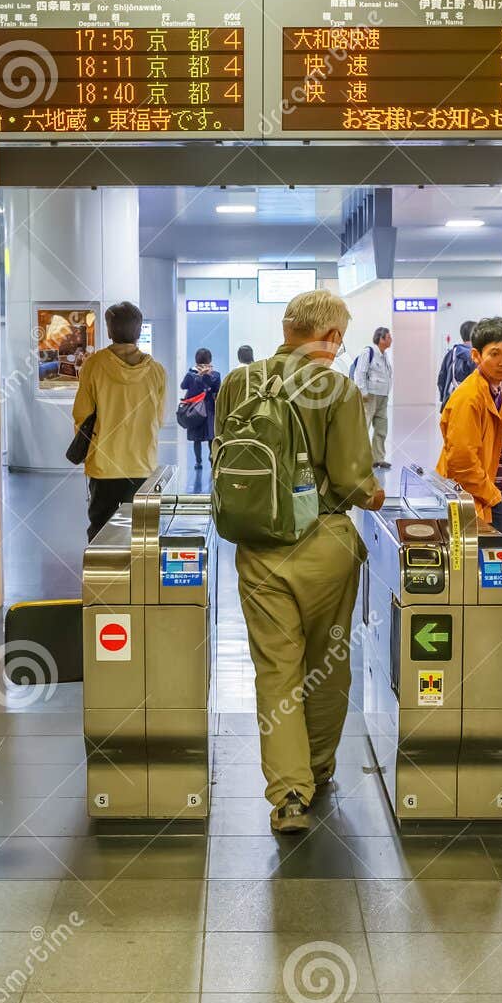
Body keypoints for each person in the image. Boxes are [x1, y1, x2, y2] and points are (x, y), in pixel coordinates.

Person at [216, 289, 385, 835]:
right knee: (327, 665)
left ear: (288, 328)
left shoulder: (238, 382)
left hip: (258, 547)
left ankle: (289, 795)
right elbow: (354, 481)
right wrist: (379, 495)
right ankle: (318, 768)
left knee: (276, 670)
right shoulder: (337, 387)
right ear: (332, 337)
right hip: (325, 546)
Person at [437, 316, 502, 533]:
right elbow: (462, 463)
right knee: (484, 565)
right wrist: (495, 498)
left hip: (494, 497)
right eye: (494, 354)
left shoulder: (500, 398)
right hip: (479, 503)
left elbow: (496, 447)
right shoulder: (468, 399)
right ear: (476, 356)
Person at [73, 301, 166, 540]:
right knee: (139, 533)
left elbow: (82, 415)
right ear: (138, 330)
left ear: (109, 330)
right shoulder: (156, 371)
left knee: (101, 530)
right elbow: (160, 418)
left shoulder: (93, 366)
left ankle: (102, 576)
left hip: (103, 466)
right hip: (142, 464)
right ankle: (135, 577)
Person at [352, 326, 394, 468]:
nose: (391, 340)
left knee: (381, 428)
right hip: (370, 396)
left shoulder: (385, 356)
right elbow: (360, 373)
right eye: (388, 337)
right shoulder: (368, 352)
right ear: (381, 339)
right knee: (364, 427)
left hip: (383, 396)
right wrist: (363, 393)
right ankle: (360, 459)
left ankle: (378, 458)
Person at [180, 347, 221, 468]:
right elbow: (217, 389)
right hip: (209, 410)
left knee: (196, 438)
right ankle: (212, 458)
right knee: (210, 437)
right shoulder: (215, 375)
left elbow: (183, 386)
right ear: (210, 360)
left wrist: (193, 375)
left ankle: (198, 462)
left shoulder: (191, 374)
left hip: (194, 410)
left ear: (196, 360)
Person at [437, 319, 475, 406]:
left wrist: (443, 398)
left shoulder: (451, 353)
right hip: (470, 404)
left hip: (451, 402)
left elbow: (441, 379)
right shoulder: (477, 356)